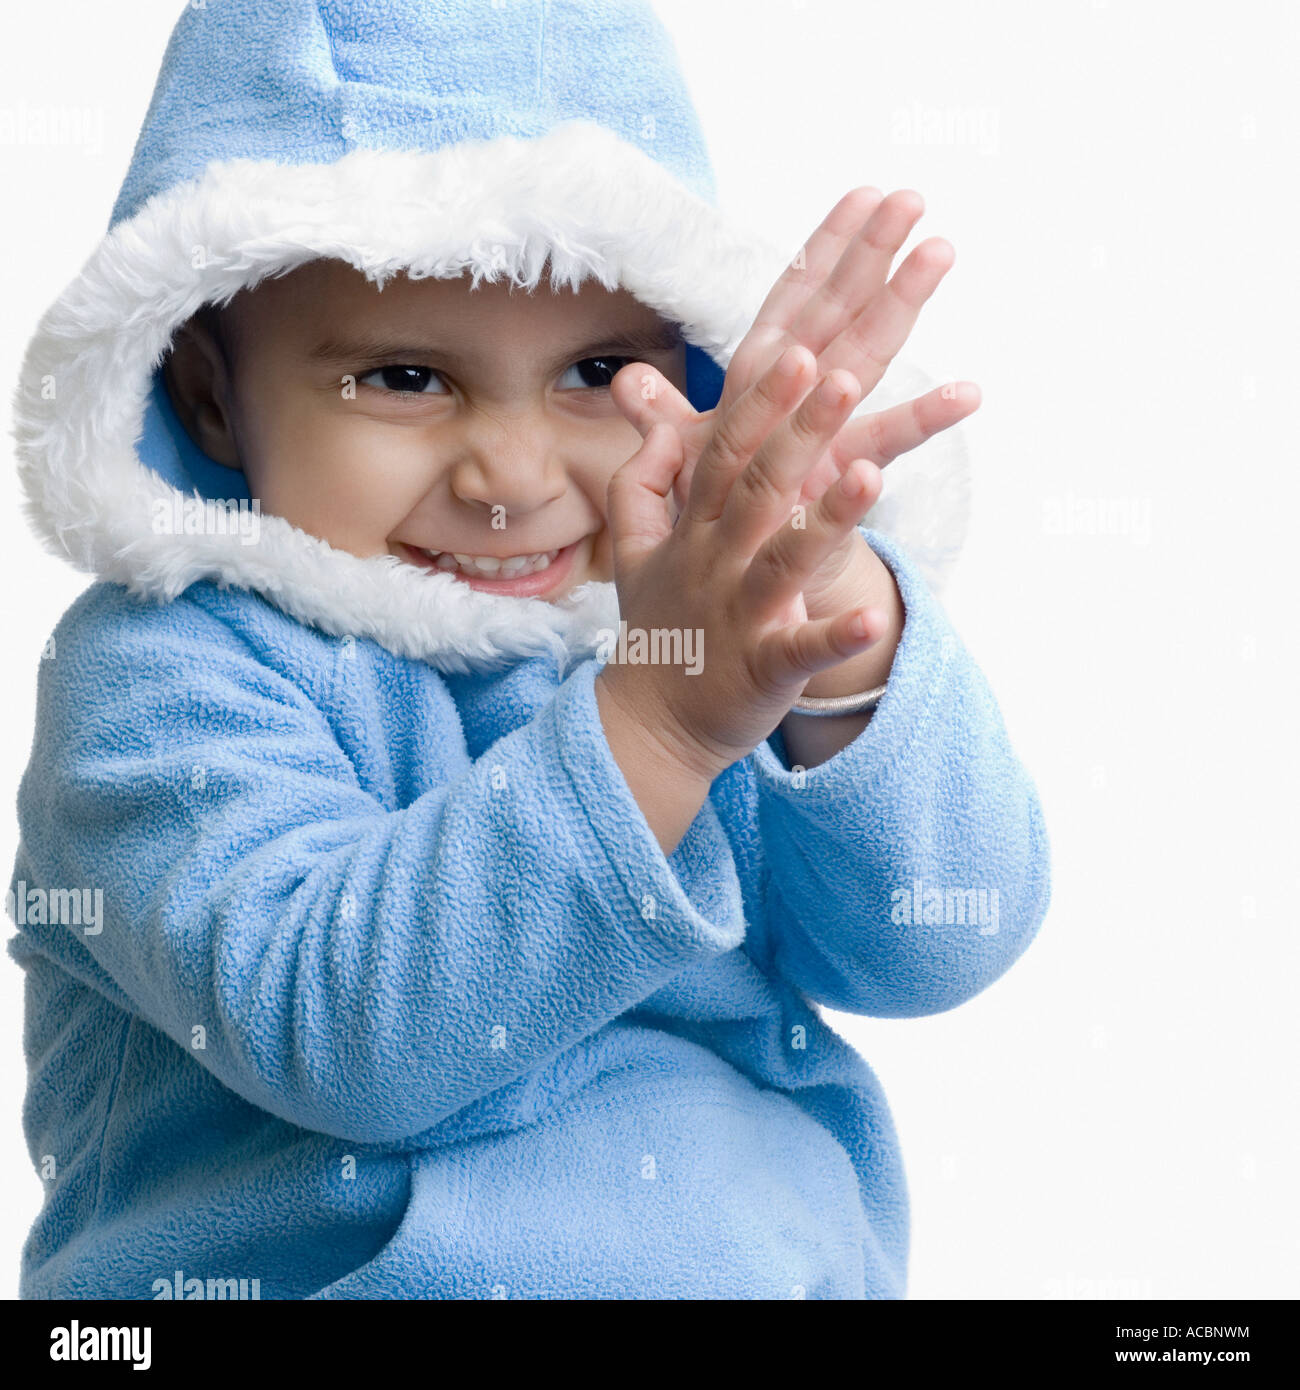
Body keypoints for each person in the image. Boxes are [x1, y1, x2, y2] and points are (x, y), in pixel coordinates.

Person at [6, 0, 1050, 1299]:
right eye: (403, 377)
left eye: (600, 370)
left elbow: (931, 942)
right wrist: (655, 734)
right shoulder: (167, 673)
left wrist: (835, 643)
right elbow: (341, 1034)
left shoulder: (693, 636)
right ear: (208, 390)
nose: (512, 477)